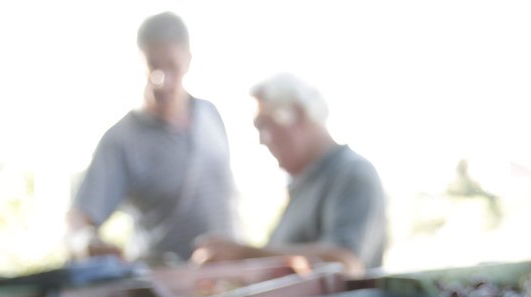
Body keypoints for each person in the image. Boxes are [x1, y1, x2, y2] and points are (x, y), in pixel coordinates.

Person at [66, 12, 236, 264]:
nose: (162, 81)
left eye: (172, 66)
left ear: (188, 61)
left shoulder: (210, 114)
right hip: (166, 282)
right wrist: (86, 243)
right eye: (154, 66)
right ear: (140, 62)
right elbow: (78, 221)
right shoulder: (122, 139)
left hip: (227, 277)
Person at [192, 73, 387, 276]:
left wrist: (243, 254)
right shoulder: (304, 186)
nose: (262, 140)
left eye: (264, 125)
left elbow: (346, 263)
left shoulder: (352, 174)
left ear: (297, 114)